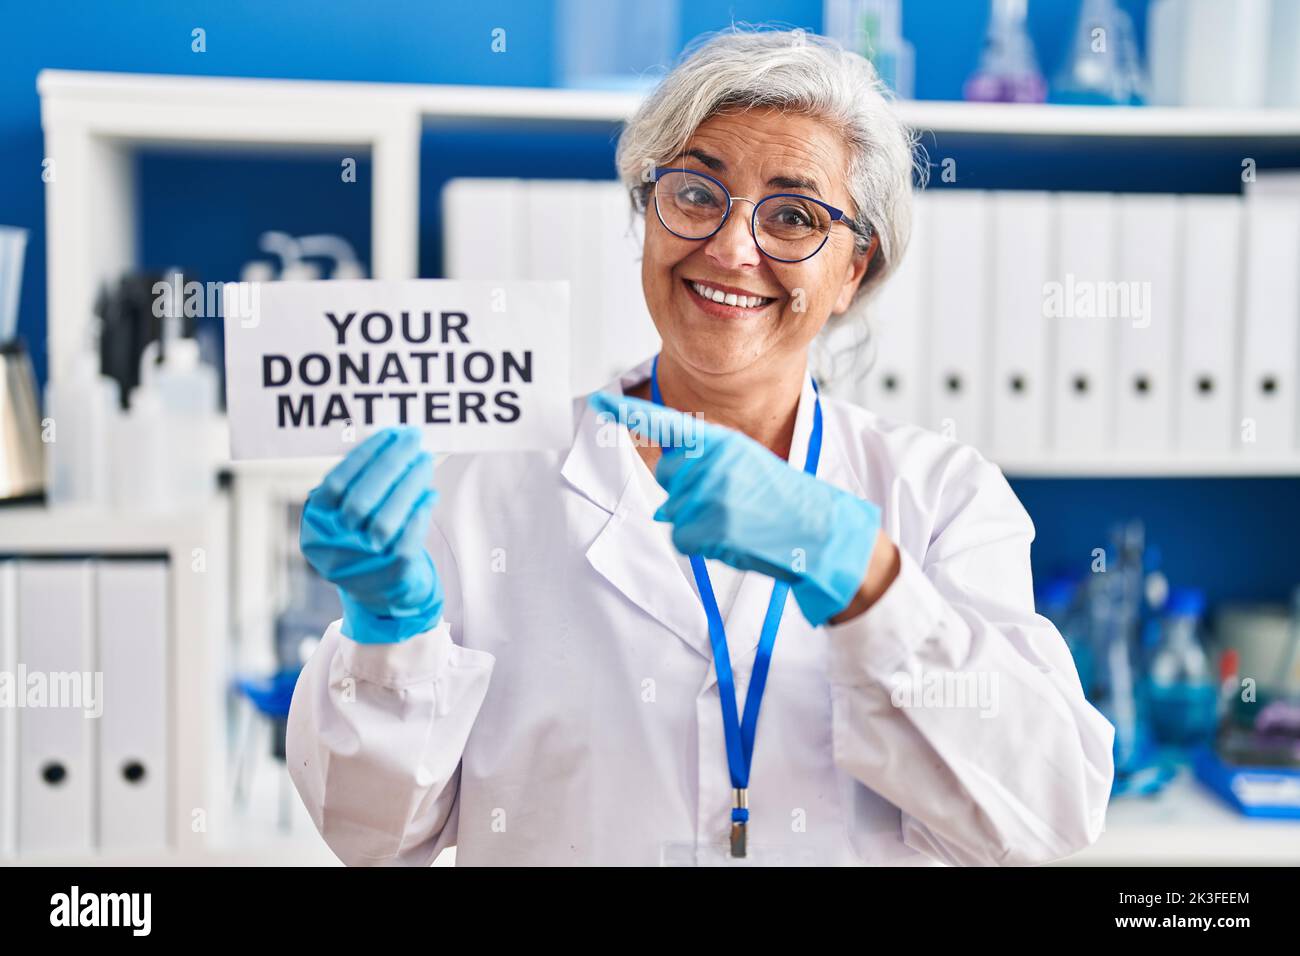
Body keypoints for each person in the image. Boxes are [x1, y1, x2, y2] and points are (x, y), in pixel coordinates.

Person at [286, 27, 1115, 866]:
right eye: (694, 193)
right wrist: (390, 633)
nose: (729, 248)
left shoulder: (941, 499)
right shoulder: (486, 486)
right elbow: (373, 836)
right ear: (648, 211)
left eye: (794, 215)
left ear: (853, 270)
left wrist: (865, 575)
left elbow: (1045, 818)